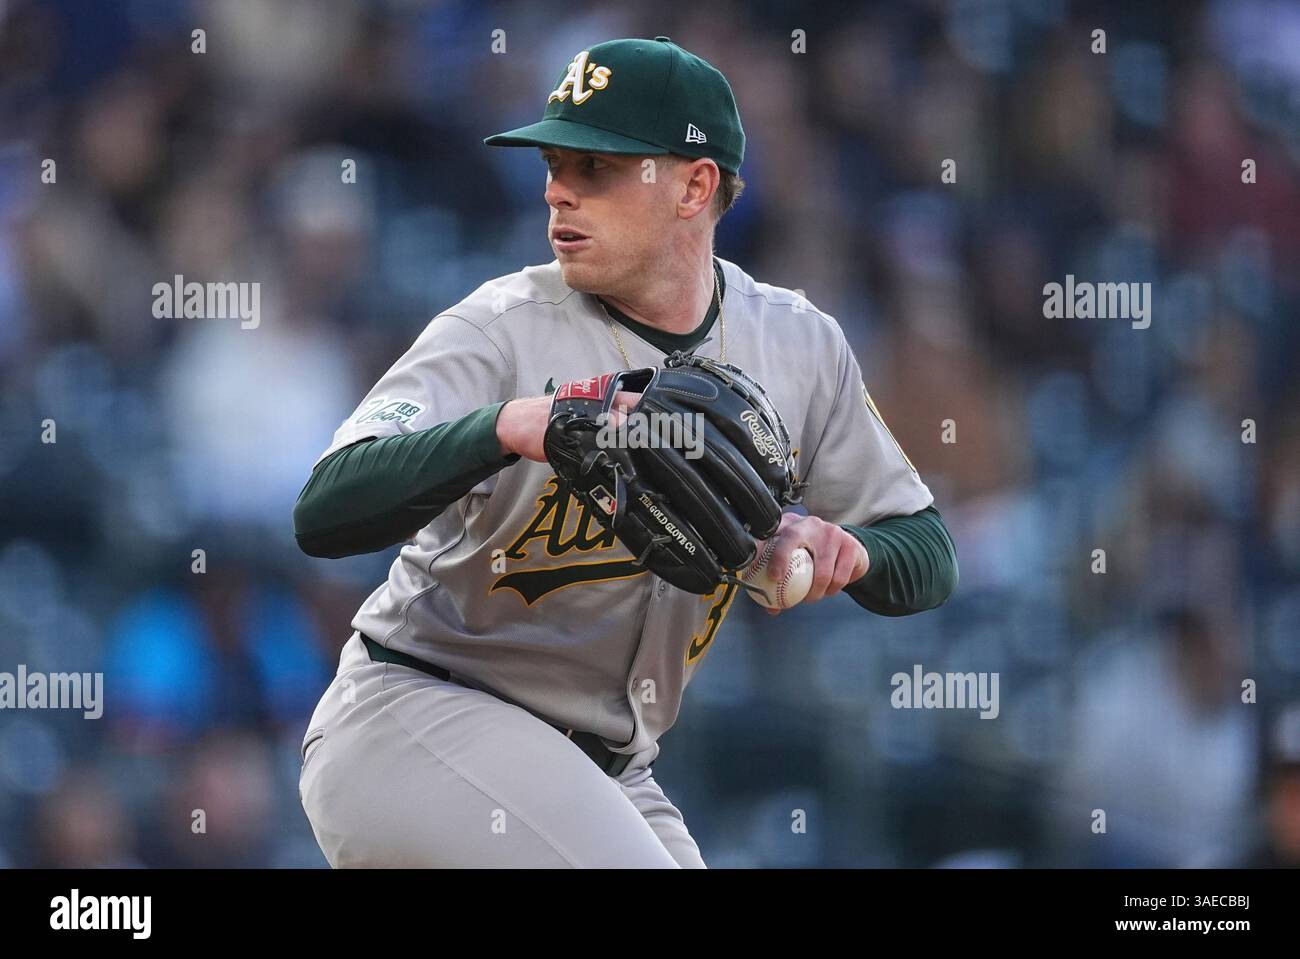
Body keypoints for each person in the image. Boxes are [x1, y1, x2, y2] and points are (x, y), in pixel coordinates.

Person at [293, 36, 957, 868]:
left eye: (596, 168)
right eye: (553, 163)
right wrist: (509, 426)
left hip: (608, 767)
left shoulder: (796, 343)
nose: (556, 192)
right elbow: (324, 510)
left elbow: (928, 551)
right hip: (416, 713)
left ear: (694, 185)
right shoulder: (500, 327)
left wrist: (846, 550)